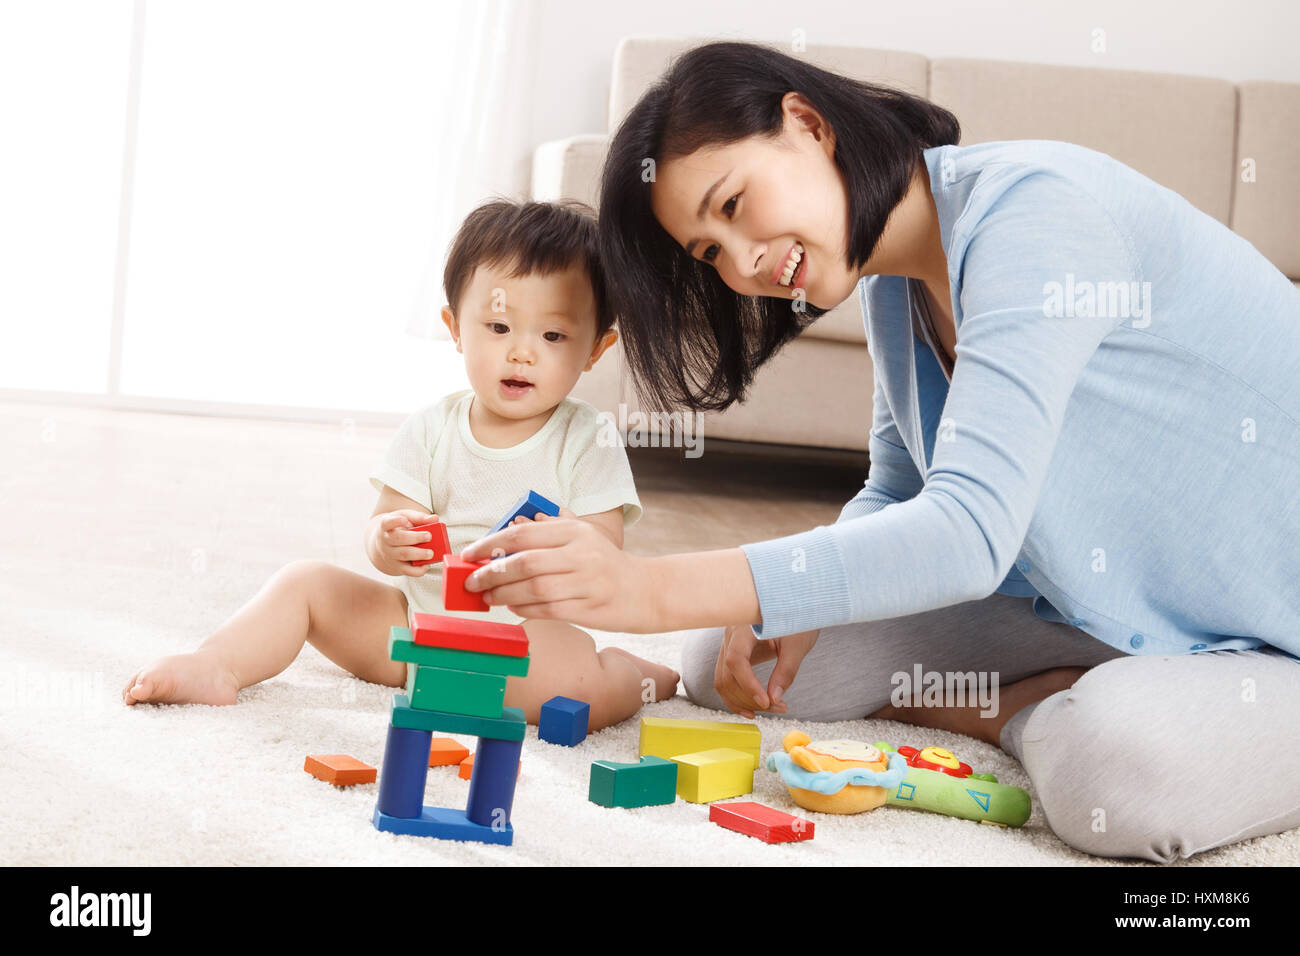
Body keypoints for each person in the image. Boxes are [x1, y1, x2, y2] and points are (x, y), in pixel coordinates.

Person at [456, 42, 1300, 862]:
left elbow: (968, 531)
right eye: (710, 252)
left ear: (807, 125)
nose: (746, 263)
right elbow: (898, 487)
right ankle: (1085, 683)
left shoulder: (1038, 213)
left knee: (1112, 769)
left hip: (1276, 627)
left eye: (736, 204)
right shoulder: (898, 280)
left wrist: (645, 587)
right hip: (1116, 599)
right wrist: (801, 599)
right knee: (728, 661)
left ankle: (1020, 709)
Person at [122, 198, 679, 730]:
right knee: (304, 583)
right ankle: (218, 663)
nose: (521, 352)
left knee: (580, 689)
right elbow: (388, 527)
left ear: (594, 350)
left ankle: (632, 674)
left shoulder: (588, 437)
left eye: (553, 335)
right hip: (414, 631)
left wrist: (558, 542)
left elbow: (606, 550)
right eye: (499, 327)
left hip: (519, 643)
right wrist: (387, 541)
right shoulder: (432, 427)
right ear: (456, 327)